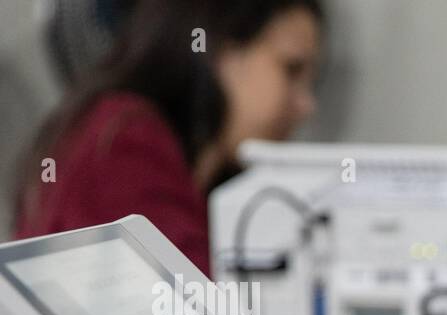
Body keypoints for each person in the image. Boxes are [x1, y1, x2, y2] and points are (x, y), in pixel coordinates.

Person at [12, 0, 324, 274]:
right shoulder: (123, 143)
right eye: (291, 70)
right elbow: (197, 313)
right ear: (220, 51)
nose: (306, 105)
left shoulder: (163, 152)